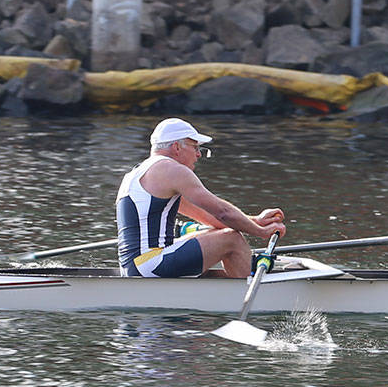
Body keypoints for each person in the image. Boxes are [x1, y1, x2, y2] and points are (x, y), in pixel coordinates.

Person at [115, 118, 286, 278]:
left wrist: (255, 221)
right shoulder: (172, 170)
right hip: (150, 265)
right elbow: (223, 213)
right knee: (232, 239)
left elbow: (208, 217)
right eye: (195, 147)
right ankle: (251, 291)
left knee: (216, 231)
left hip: (135, 267)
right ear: (176, 147)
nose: (198, 154)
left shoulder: (139, 173)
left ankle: (239, 278)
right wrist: (261, 232)